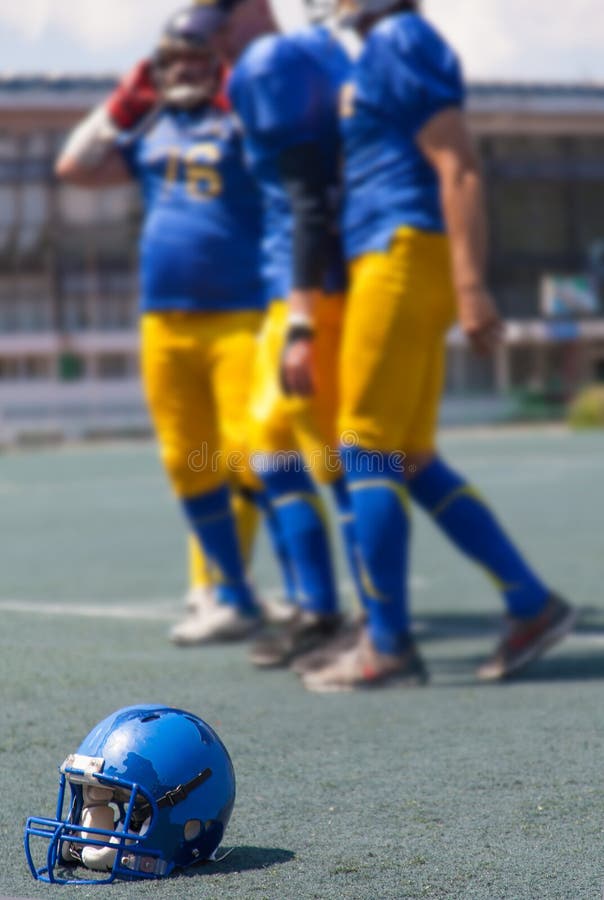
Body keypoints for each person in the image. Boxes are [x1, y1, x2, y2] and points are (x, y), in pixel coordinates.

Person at [302, 0, 577, 691]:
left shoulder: (398, 36)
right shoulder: (382, 48)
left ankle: (387, 646)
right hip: (396, 251)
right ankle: (530, 604)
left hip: (400, 251)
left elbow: (459, 163)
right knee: (411, 460)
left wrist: (472, 285)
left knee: (365, 448)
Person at [56, 6, 287, 644]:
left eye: (196, 59)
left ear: (215, 63)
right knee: (191, 461)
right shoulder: (148, 134)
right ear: (157, 72)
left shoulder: (240, 120)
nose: (185, 69)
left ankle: (301, 593)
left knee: (253, 458)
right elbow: (74, 167)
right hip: (165, 321)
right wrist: (119, 107)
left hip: (238, 315)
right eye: (173, 61)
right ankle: (228, 592)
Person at [202, 0, 368, 669]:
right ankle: (320, 609)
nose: (209, 27)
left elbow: (307, 193)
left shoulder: (272, 60)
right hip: (293, 284)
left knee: (335, 457)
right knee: (271, 448)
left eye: (219, 13)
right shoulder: (292, 59)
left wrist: (300, 314)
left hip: (311, 291)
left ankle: (371, 623)